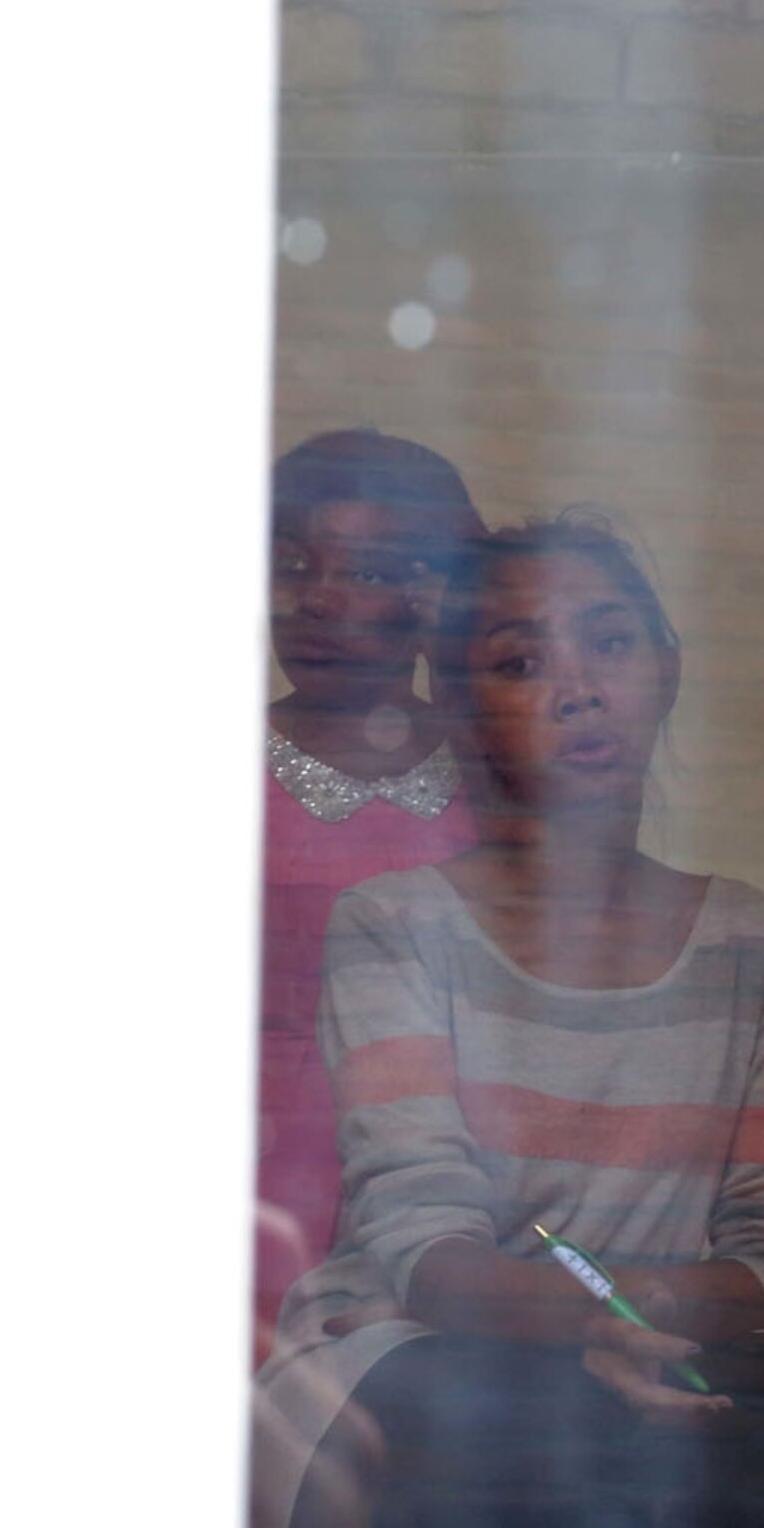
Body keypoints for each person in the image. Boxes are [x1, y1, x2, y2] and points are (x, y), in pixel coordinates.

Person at [257, 517, 764, 1528]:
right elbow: (420, 1245)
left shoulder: (747, 939)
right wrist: (616, 1319)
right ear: (463, 707)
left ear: (668, 669)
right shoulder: (397, 926)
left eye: (610, 642)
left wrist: (642, 1316)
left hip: (630, 1388)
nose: (578, 684)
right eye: (520, 658)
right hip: (388, 1377)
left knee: (719, 1433)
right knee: (642, 1434)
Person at [253, 429, 486, 1345]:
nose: (315, 600)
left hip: (451, 1184)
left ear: (440, 595)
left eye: (374, 573)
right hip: (239, 1178)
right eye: (290, 563)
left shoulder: (497, 773)